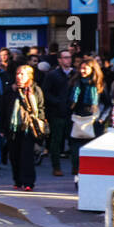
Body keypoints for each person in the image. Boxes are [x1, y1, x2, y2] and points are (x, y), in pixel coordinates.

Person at [4, 64, 46, 191]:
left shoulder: (36, 90)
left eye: (22, 74)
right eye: (18, 74)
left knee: (27, 156)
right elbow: (4, 109)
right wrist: (2, 128)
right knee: (14, 156)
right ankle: (17, 180)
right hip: (13, 127)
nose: (19, 77)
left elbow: (40, 108)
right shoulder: (10, 90)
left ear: (29, 76)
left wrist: (41, 123)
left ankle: (28, 182)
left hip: (29, 127)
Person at [68, 58, 105, 180]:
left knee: (91, 153)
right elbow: (68, 101)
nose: (82, 71)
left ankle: (89, 179)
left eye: (85, 68)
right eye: (81, 68)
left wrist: (102, 119)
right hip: (76, 121)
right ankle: (78, 179)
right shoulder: (74, 82)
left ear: (92, 69)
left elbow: (108, 103)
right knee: (75, 155)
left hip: (93, 122)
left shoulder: (99, 85)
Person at [42, 49, 76, 177]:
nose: (68, 60)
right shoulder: (52, 75)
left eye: (69, 57)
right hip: (57, 113)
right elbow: (46, 92)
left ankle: (75, 166)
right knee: (56, 140)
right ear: (60, 60)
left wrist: (74, 102)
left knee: (73, 140)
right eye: (65, 57)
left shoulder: (75, 74)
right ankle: (56, 167)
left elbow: (78, 89)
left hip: (72, 112)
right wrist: (57, 102)